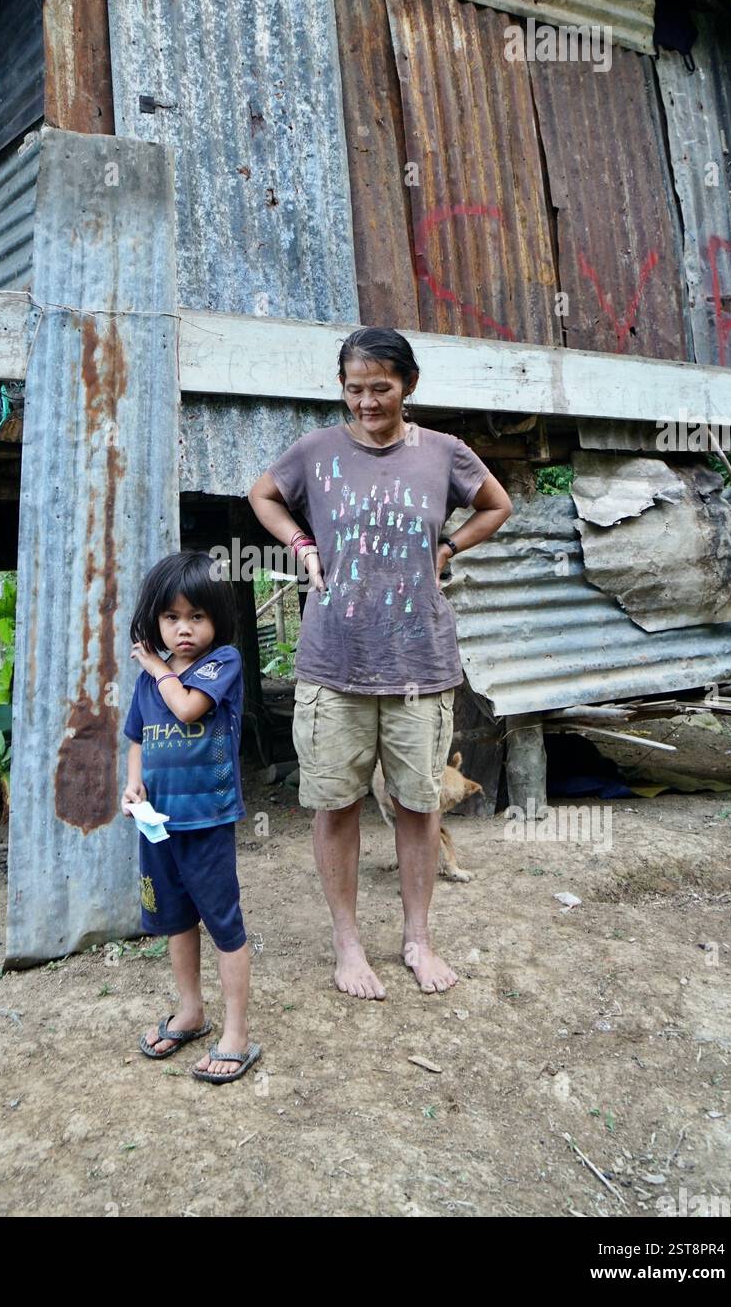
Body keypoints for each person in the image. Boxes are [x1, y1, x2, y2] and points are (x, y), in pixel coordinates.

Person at [248, 327, 513, 999]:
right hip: (333, 660)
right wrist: (303, 546)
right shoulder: (314, 452)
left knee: (418, 806)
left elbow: (497, 503)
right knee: (336, 806)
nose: (366, 402)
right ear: (342, 388)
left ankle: (418, 940)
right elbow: (262, 495)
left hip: (419, 661)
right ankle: (348, 947)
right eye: (354, 389)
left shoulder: (444, 453)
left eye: (380, 388)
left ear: (408, 386)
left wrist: (448, 548)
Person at [121, 551, 261, 1082]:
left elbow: (185, 708)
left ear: (216, 620)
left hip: (207, 821)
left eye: (196, 617)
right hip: (159, 823)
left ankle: (236, 1034)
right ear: (155, 620)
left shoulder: (220, 663)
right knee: (176, 920)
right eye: (172, 618)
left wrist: (157, 667)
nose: (184, 630)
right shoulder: (144, 685)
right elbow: (137, 735)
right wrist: (134, 782)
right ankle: (190, 1011)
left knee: (224, 925)